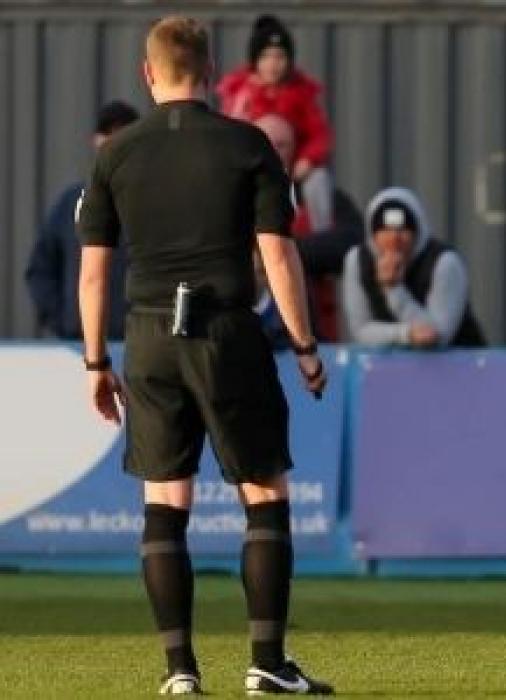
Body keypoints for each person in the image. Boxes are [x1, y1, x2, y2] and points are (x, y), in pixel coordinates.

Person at [75, 16, 331, 695]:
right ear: (213, 72)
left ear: (148, 73)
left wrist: (96, 363)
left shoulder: (116, 155)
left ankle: (180, 671)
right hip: (226, 334)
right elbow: (278, 254)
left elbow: (94, 274)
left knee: (164, 501)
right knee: (264, 494)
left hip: (150, 337)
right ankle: (268, 663)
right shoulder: (247, 145)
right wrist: (305, 346)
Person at [25, 101, 138, 339]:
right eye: (107, 133)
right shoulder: (71, 202)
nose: (114, 142)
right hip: (80, 347)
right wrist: (65, 322)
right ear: (95, 141)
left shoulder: (155, 202)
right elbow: (39, 270)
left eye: (124, 134)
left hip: (141, 346)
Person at [216, 14, 334, 231]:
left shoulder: (301, 93)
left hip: (293, 171)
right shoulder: (240, 92)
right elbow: (228, 134)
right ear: (256, 61)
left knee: (319, 179)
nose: (273, 64)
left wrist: (307, 160)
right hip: (252, 167)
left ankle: (321, 233)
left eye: (279, 57)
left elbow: (320, 135)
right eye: (266, 57)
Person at [254, 113, 362, 341]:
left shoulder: (319, 196)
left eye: (281, 144)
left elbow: (353, 241)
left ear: (295, 150)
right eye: (265, 142)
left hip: (315, 332)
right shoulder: (231, 194)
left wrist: (282, 254)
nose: (273, 151)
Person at [342, 187, 485, 348]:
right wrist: (406, 334)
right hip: (389, 367)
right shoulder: (357, 260)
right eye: (384, 229)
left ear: (418, 231)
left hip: (460, 364)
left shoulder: (445, 263)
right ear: (372, 234)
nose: (394, 238)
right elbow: (361, 331)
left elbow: (437, 336)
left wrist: (394, 290)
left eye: (403, 229)